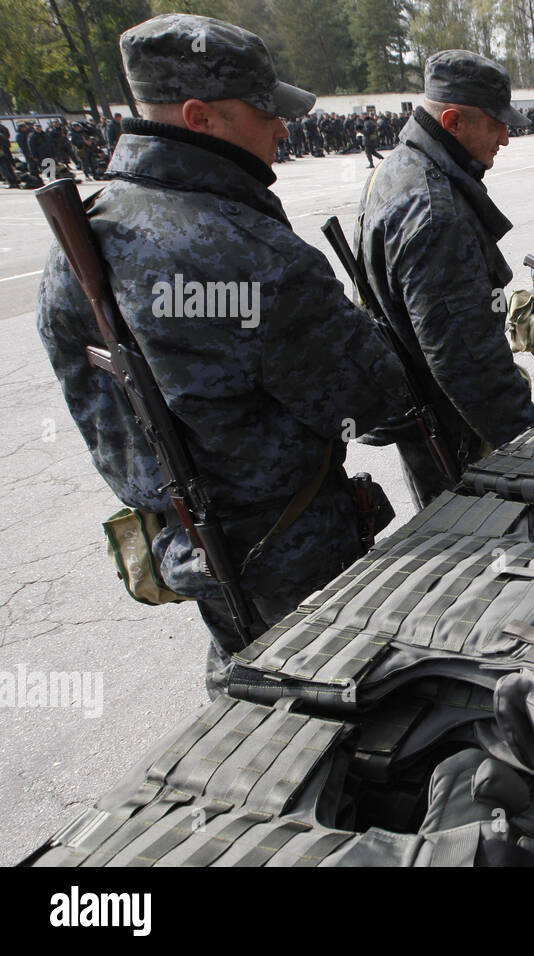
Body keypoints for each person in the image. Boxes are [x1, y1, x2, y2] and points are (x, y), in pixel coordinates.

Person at [36, 13, 410, 697]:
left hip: (194, 549)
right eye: (264, 112)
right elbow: (379, 402)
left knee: (246, 705)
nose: (282, 129)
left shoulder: (83, 241)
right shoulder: (249, 252)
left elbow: (100, 413)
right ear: (199, 116)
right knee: (342, 714)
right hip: (300, 550)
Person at [355, 49, 534, 508]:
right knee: (482, 545)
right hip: (456, 426)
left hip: (431, 415)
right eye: (496, 124)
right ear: (454, 121)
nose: (505, 137)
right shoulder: (436, 212)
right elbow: (466, 363)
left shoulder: (400, 167)